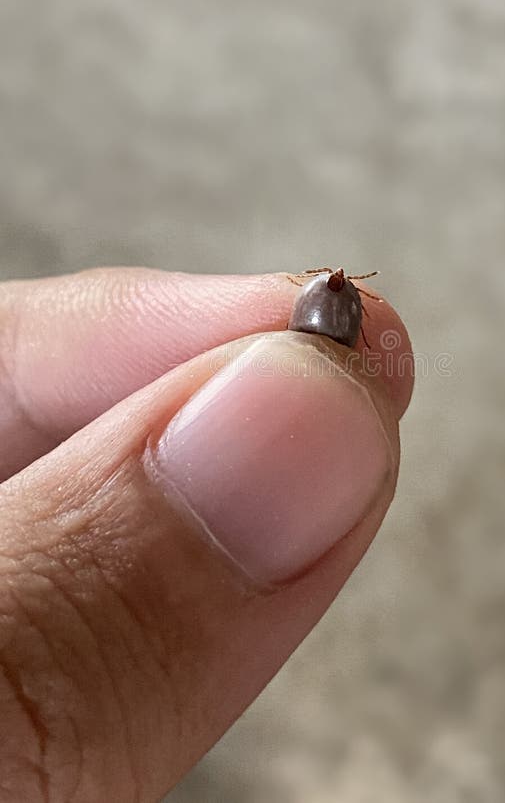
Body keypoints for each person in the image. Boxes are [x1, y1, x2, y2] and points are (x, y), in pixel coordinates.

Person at [0, 267, 413, 801]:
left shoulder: (333, 299)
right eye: (337, 282)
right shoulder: (345, 309)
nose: (335, 280)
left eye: (339, 282)